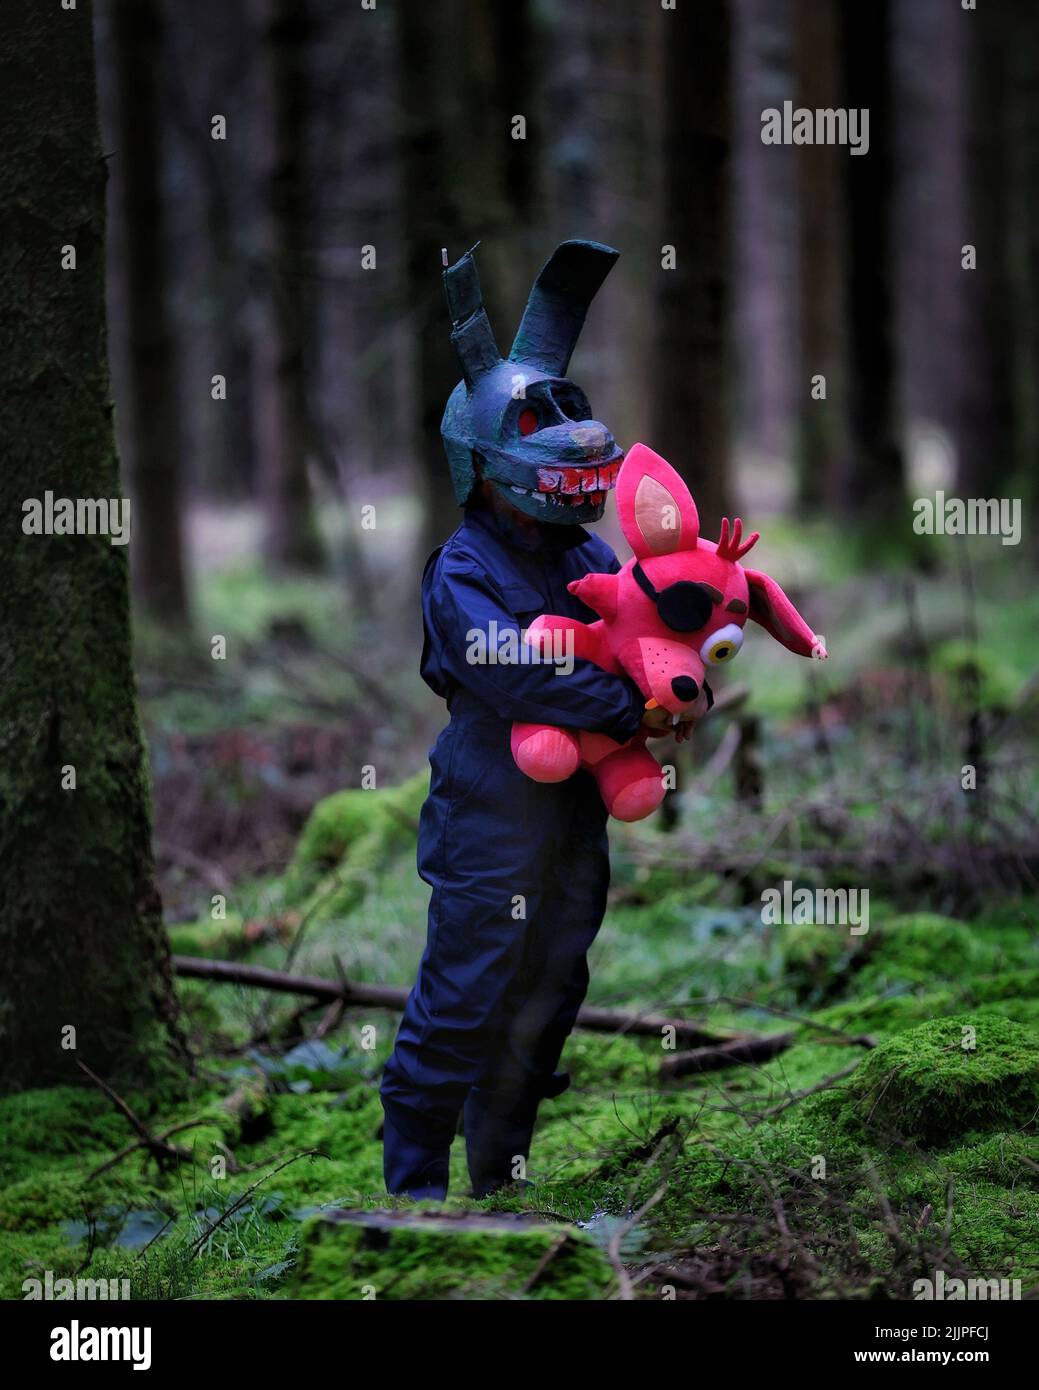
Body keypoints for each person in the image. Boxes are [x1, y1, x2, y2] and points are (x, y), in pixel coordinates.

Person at [379, 241, 695, 1199]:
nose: (568, 441)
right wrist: (625, 708)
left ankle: (502, 1180)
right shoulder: (462, 570)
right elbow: (513, 671)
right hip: (486, 810)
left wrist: (682, 665)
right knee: (466, 992)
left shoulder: (580, 550)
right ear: (481, 459)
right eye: (536, 422)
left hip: (571, 816)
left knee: (551, 989)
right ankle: (414, 1192)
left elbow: (638, 624)